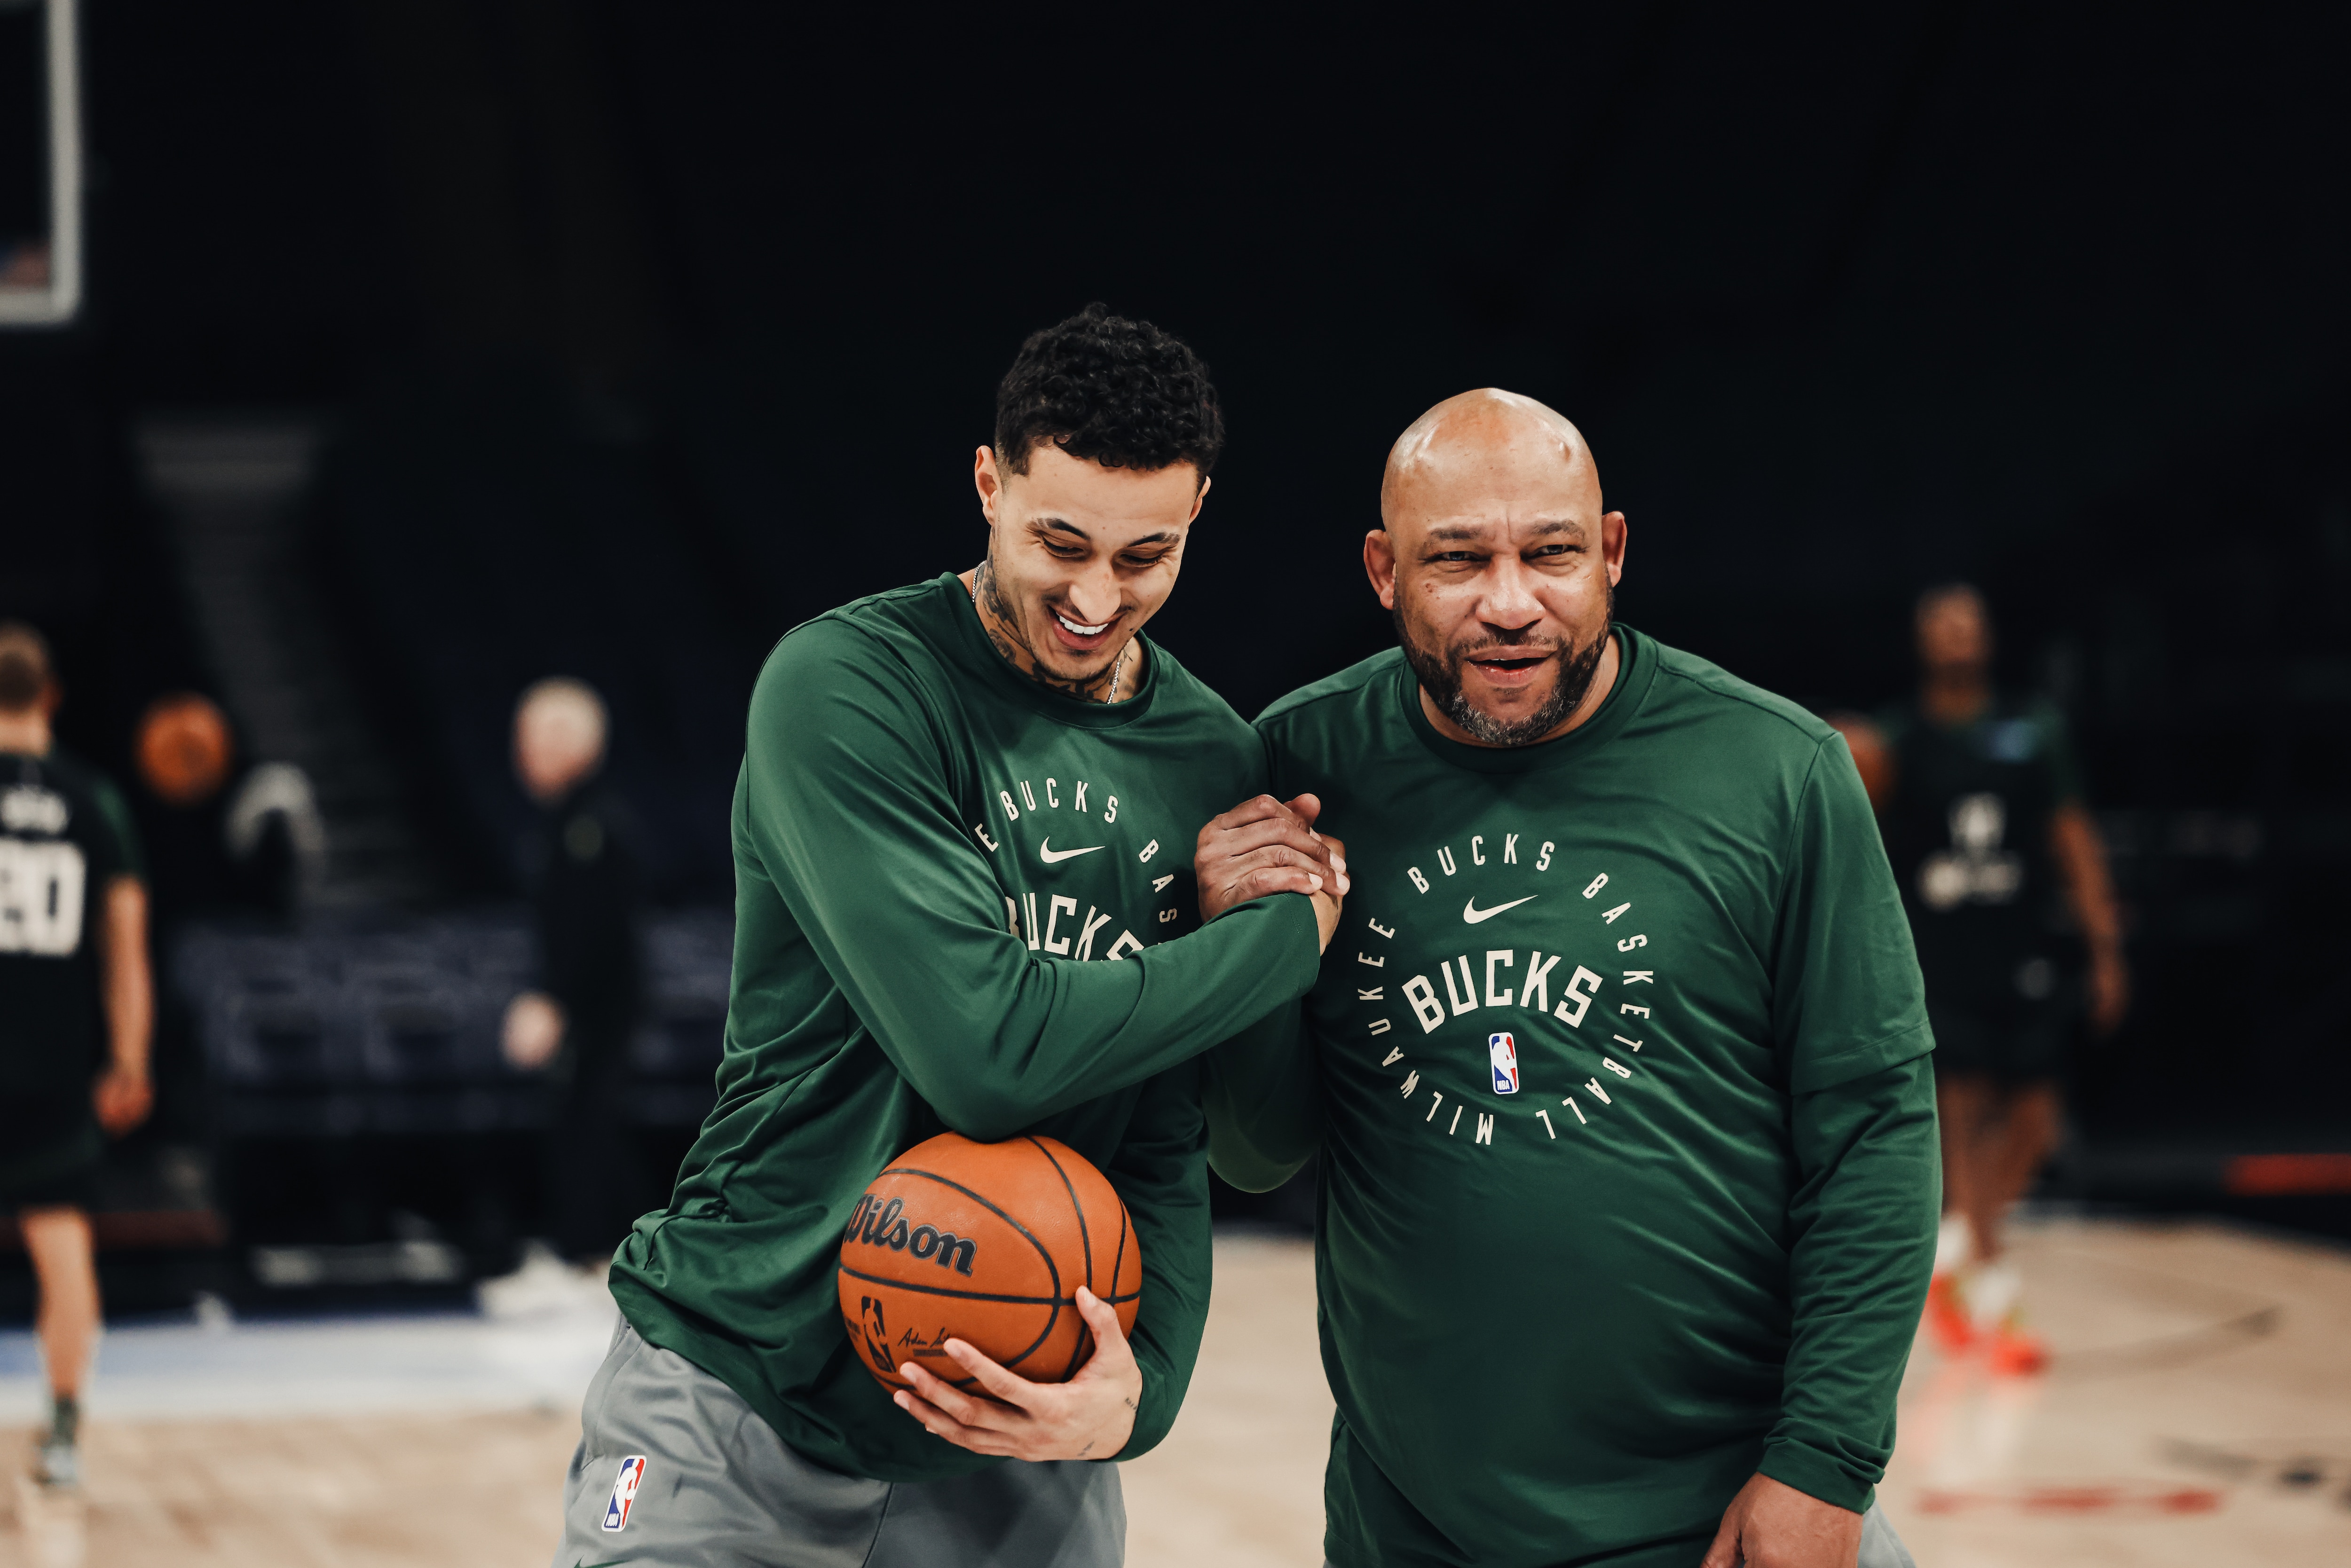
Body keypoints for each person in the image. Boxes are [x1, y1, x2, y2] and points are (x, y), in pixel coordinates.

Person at [550, 305, 1344, 1568]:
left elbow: (1182, 1128)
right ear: (989, 482)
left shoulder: (1208, 753)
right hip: (746, 1385)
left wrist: (1139, 1388)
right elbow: (988, 1052)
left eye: (1147, 556)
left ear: (1197, 518)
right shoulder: (849, 686)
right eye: (1061, 541)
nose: (1095, 597)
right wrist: (1279, 937)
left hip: (1020, 1427)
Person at [1206, 391, 1935, 1568]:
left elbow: (1877, 1132)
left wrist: (1825, 1463)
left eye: (1548, 551)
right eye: (1457, 560)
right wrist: (1241, 953)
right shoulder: (1298, 763)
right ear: (1383, 571)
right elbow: (1255, 1152)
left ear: (1611, 554)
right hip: (1413, 1528)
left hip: (1719, 1521)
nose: (1509, 603)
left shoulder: (1778, 771)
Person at [1837, 585, 2126, 1374]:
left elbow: (2073, 838)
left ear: (1988, 636)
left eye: (1970, 623)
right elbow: (1849, 835)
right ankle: (1998, 1295)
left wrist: (2105, 945)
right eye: (1944, 625)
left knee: (2036, 1115)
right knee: (1956, 1111)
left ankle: (1956, 1244)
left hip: (2023, 947)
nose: (1959, 636)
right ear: (1923, 641)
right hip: (1935, 954)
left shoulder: (2034, 731)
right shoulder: (1895, 738)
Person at [0, 622, 154, 1489]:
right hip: (58, 1065)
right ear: (51, 695)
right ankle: (61, 1435)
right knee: (64, 1252)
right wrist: (129, 1054)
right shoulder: (93, 801)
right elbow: (124, 949)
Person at [498, 677, 650, 1270]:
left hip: (599, 1005)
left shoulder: (591, 825)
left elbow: (589, 927)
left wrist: (554, 999)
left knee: (592, 1126)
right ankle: (594, 1253)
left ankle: (597, 1255)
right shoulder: (565, 823)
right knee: (582, 1124)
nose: (523, 752)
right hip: (590, 1004)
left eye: (532, 736)